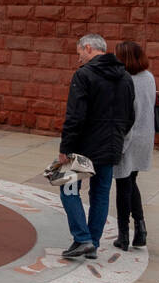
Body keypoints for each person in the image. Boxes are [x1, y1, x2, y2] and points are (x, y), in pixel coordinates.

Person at [57, 33, 136, 260]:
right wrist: (117, 136)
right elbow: (130, 115)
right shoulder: (125, 77)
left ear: (89, 48)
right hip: (111, 147)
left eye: (80, 52)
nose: (79, 58)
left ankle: (83, 239)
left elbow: (75, 116)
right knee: (100, 193)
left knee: (68, 188)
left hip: (83, 147)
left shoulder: (83, 75)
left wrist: (65, 147)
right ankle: (93, 242)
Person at [113, 40, 155, 250]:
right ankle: (140, 228)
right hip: (145, 137)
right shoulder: (149, 77)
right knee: (131, 181)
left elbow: (127, 114)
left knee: (123, 185)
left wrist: (119, 145)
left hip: (129, 138)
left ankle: (123, 235)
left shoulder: (125, 80)